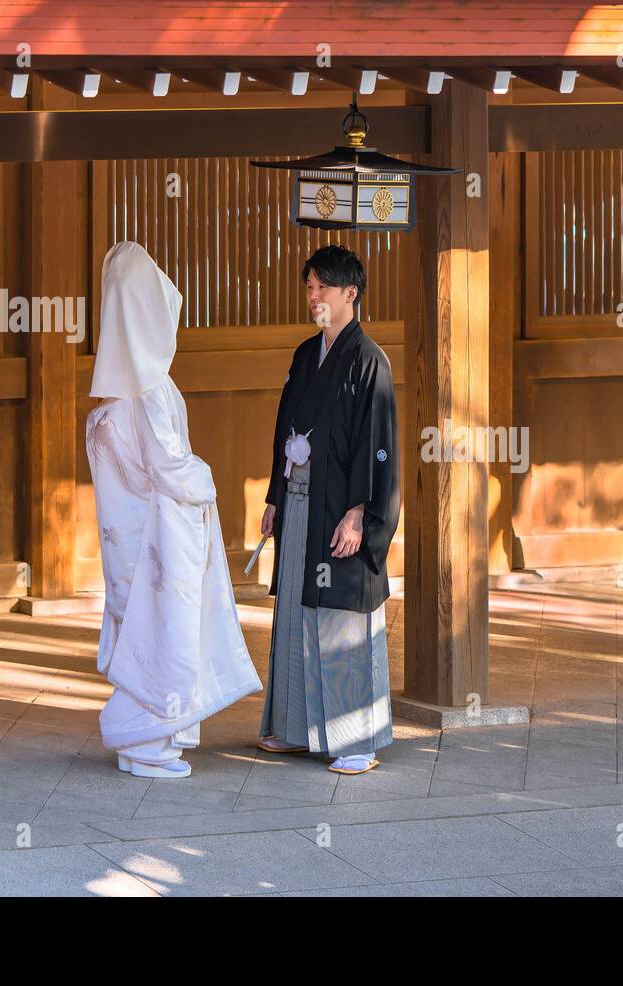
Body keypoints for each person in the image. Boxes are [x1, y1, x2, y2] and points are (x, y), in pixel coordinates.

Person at [86, 240, 261, 778]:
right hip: (159, 545)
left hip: (127, 539)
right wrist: (208, 481)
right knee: (162, 631)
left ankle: (143, 736)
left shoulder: (111, 399)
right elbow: (172, 470)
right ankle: (150, 740)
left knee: (135, 627)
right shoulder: (154, 392)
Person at [257, 244, 400, 775]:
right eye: (310, 287)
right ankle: (296, 729)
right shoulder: (304, 354)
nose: (313, 295)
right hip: (300, 503)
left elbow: (376, 444)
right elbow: (285, 429)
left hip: (341, 510)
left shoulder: (369, 362)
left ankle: (354, 738)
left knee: (341, 617)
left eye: (323, 287)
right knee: (297, 608)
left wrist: (360, 512)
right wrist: (275, 495)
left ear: (350, 294)